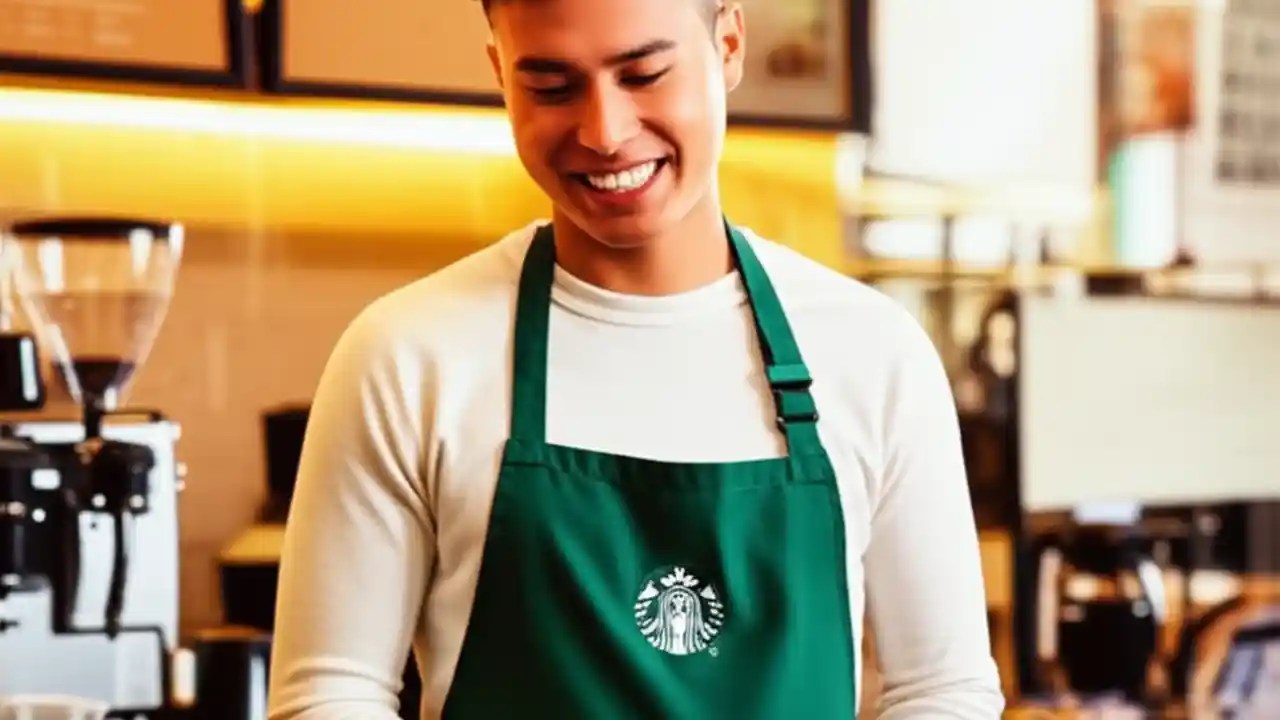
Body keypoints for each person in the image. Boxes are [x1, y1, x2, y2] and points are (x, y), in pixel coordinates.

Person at [266, 0, 1006, 717]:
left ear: (729, 44)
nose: (605, 132)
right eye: (550, 86)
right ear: (500, 73)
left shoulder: (875, 354)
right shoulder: (407, 357)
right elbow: (331, 695)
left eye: (645, 75)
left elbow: (943, 691)